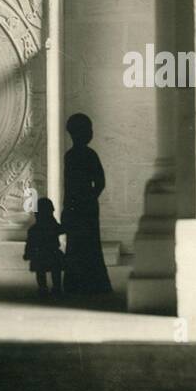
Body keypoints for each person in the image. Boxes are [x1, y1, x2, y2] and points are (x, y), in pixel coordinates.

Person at [61, 113, 112, 295]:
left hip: (75, 205)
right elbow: (100, 182)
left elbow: (68, 186)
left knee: (75, 244)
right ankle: (94, 284)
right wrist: (90, 197)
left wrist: (67, 207)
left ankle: (74, 285)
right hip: (87, 205)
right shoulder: (90, 155)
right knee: (90, 246)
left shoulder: (70, 156)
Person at [23, 199, 65, 298]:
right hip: (53, 252)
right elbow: (62, 229)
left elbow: (30, 243)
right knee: (56, 271)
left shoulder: (33, 229)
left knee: (40, 272)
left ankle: (43, 289)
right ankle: (56, 288)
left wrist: (28, 253)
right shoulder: (53, 226)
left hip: (40, 254)